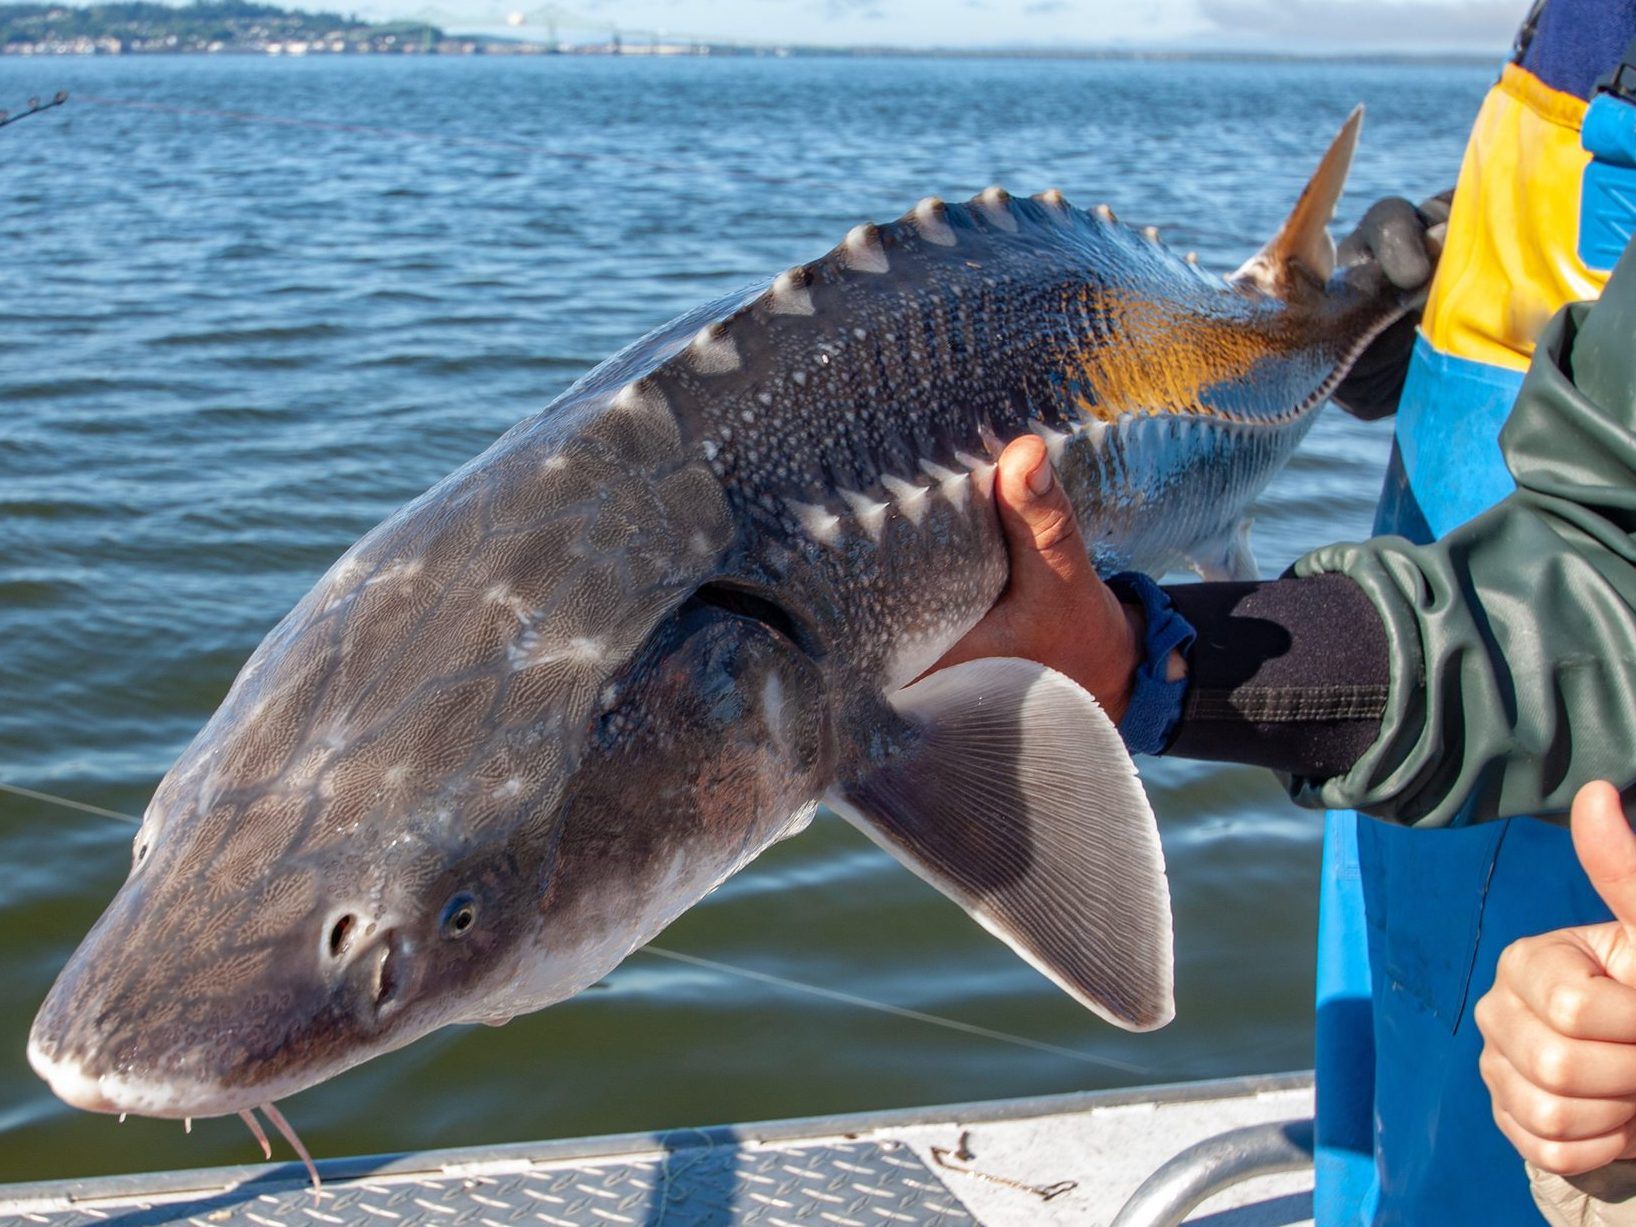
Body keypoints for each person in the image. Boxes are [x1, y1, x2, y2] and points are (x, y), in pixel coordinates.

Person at [933, 4, 1636, 1222]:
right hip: (1424, 634)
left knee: (1497, 1132)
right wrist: (1424, 299)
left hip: (1553, 766)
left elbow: (1594, 605)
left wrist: (1155, 666)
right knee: (1388, 1116)